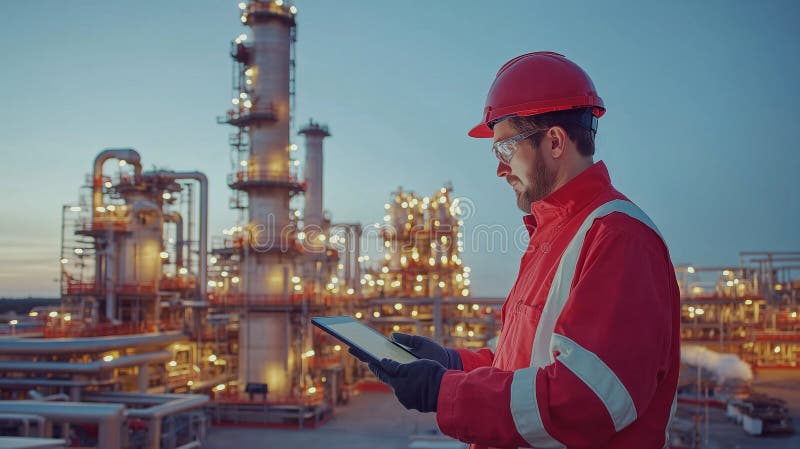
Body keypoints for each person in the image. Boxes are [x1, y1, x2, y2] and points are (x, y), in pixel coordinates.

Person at [350, 51, 680, 449]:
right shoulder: (554, 235)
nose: (500, 169)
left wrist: (445, 392)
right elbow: (520, 364)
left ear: (554, 141)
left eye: (505, 149)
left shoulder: (618, 238)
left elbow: (585, 401)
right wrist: (452, 364)